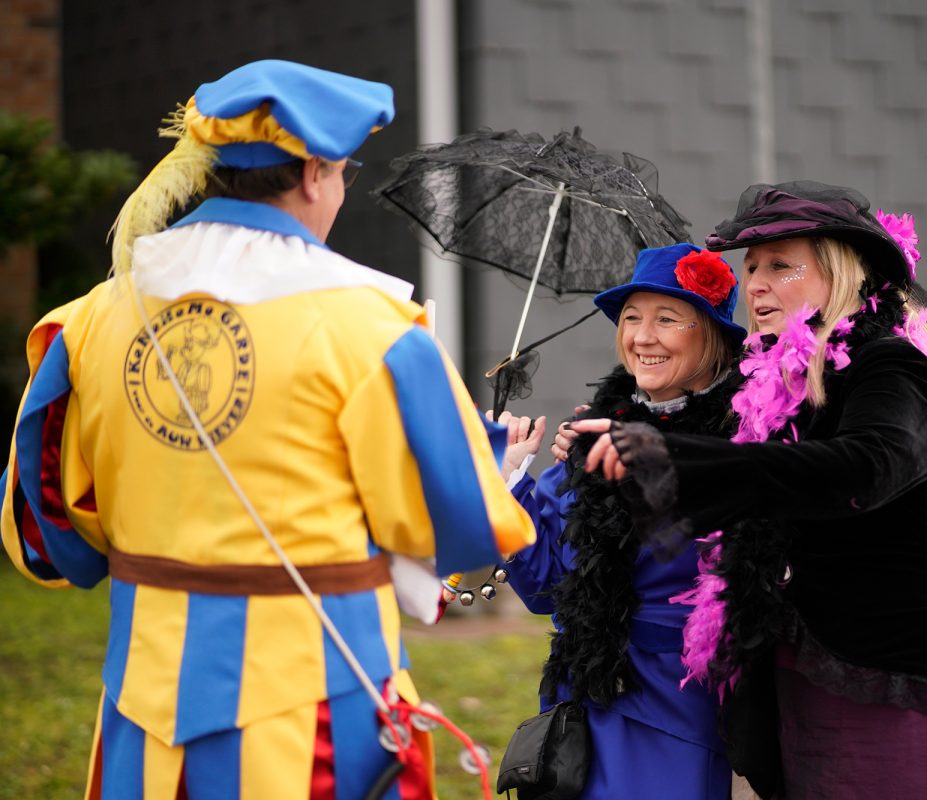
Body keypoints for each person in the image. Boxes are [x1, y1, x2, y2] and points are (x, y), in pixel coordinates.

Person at [0, 60, 534, 800]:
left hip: (141, 705)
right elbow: (463, 526)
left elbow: (48, 528)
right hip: (312, 712)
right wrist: (490, 456)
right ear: (314, 173)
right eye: (343, 175)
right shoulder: (373, 328)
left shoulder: (86, 321)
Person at [575, 181, 927, 799]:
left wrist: (678, 458)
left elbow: (866, 466)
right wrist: (602, 441)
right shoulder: (781, 387)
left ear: (840, 274)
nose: (755, 284)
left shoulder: (890, 364)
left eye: (780, 266)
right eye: (751, 268)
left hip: (897, 683)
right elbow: (718, 433)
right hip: (809, 683)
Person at [494, 242, 746, 799]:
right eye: (632, 318)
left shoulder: (744, 437)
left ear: (710, 334)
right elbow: (547, 589)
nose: (642, 337)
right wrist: (509, 481)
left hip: (680, 711)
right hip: (583, 710)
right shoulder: (594, 435)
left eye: (667, 319)